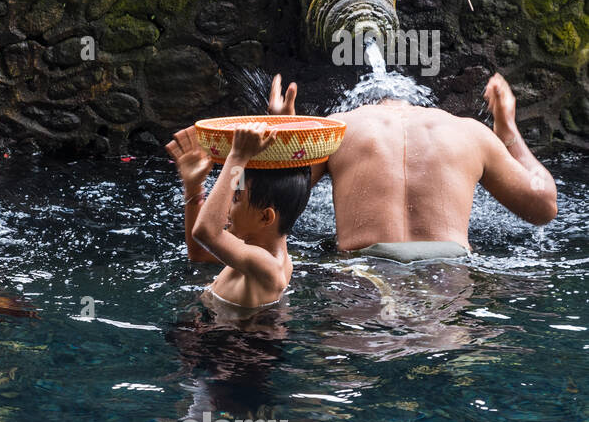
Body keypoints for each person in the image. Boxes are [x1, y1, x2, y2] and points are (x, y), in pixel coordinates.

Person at [267, 72, 558, 260]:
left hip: (365, 267)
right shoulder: (470, 132)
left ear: (367, 105)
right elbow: (543, 206)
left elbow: (273, 206)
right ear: (417, 105)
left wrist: (284, 136)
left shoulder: (339, 127)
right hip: (449, 266)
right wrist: (508, 130)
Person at [166, 123, 313, 310]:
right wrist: (194, 187)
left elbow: (206, 232)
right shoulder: (254, 249)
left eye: (235, 198)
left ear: (266, 217)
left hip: (227, 337)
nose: (226, 205)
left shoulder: (268, 266)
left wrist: (237, 157)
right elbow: (199, 253)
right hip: (209, 327)